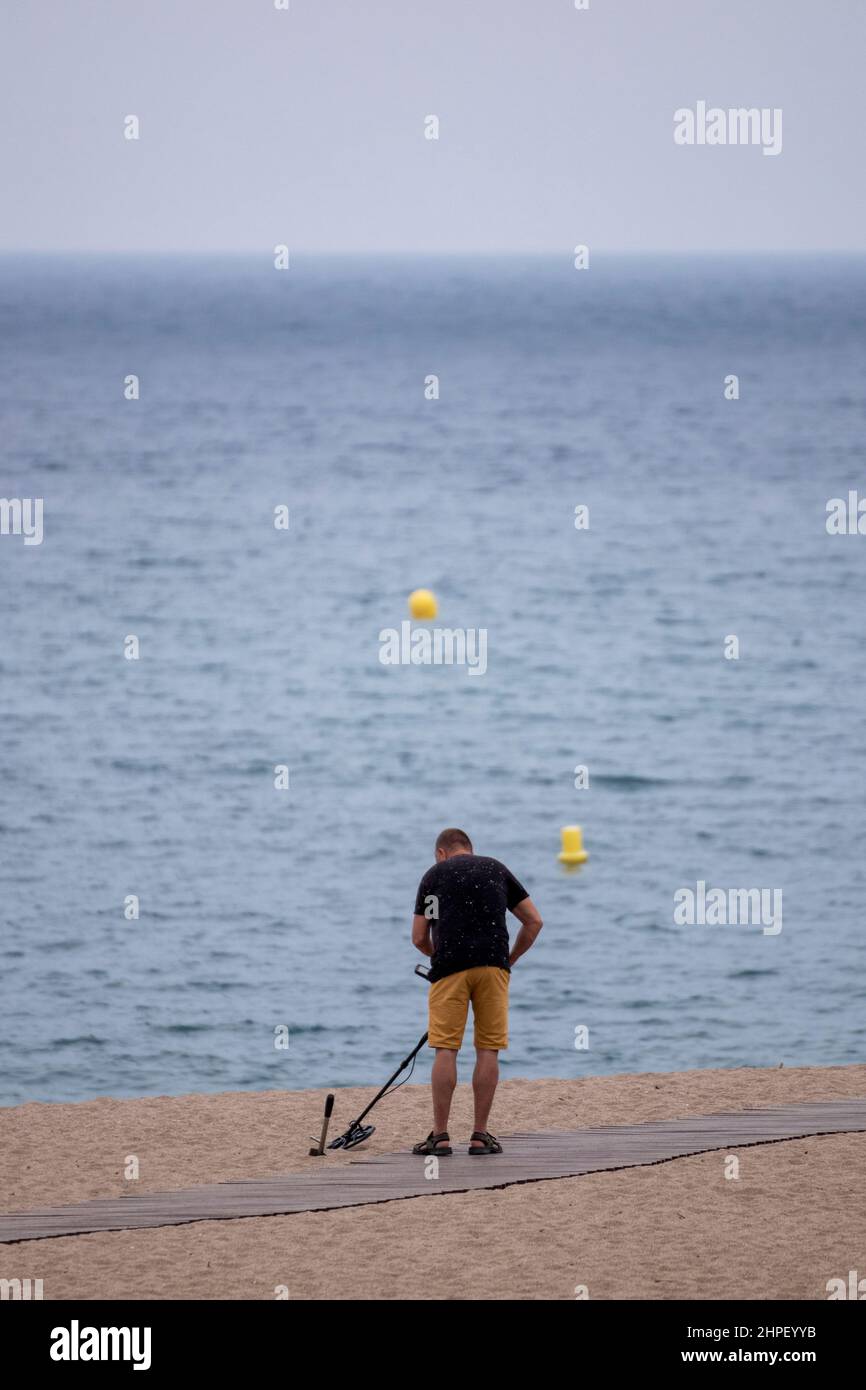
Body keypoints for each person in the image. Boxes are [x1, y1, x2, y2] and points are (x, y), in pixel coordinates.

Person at [410, 827, 543, 1156]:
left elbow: (418, 937)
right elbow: (534, 922)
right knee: (488, 1049)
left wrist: (437, 956)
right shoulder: (495, 869)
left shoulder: (433, 876)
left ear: (441, 853)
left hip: (449, 970)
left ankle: (440, 1137)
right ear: (469, 849)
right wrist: (508, 959)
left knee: (445, 1049)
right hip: (492, 967)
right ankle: (479, 1136)